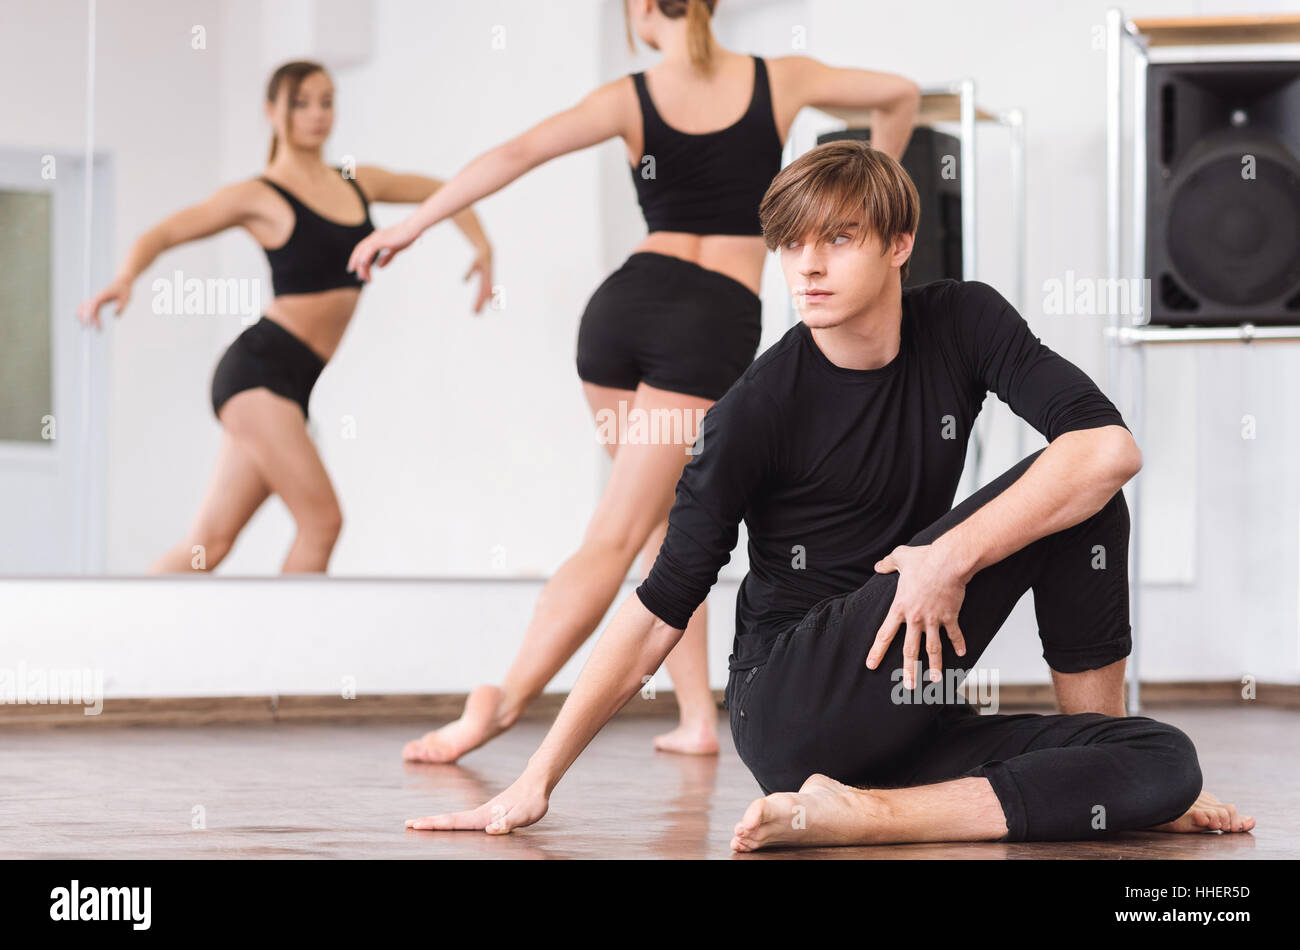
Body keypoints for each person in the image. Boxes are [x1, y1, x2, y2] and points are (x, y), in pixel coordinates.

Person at [405, 140, 1254, 848]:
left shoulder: (966, 322)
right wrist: (535, 779)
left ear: (899, 243)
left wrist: (946, 558)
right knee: (1081, 492)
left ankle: (873, 814)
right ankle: (874, 798)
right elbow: (658, 609)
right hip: (793, 706)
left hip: (907, 706)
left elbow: (1111, 446)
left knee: (1161, 759)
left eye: (839, 239)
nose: (806, 266)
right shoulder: (754, 412)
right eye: (790, 245)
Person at [349, 0, 921, 759]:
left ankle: (692, 720)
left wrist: (411, 225)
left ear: (643, 9)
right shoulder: (780, 79)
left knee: (661, 522)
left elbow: (517, 152)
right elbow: (901, 93)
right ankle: (503, 702)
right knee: (620, 533)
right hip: (705, 323)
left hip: (619, 312)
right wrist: (873, 210)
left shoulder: (631, 95)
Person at [78, 61, 492, 574]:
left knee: (209, 543)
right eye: (300, 103)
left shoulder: (354, 180)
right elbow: (162, 234)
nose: (317, 114)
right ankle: (292, 650)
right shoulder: (259, 194)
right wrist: (125, 277)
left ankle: (122, 631)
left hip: (294, 383)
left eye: (326, 100)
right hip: (257, 372)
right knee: (322, 521)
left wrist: (482, 247)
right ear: (272, 112)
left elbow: (444, 190)